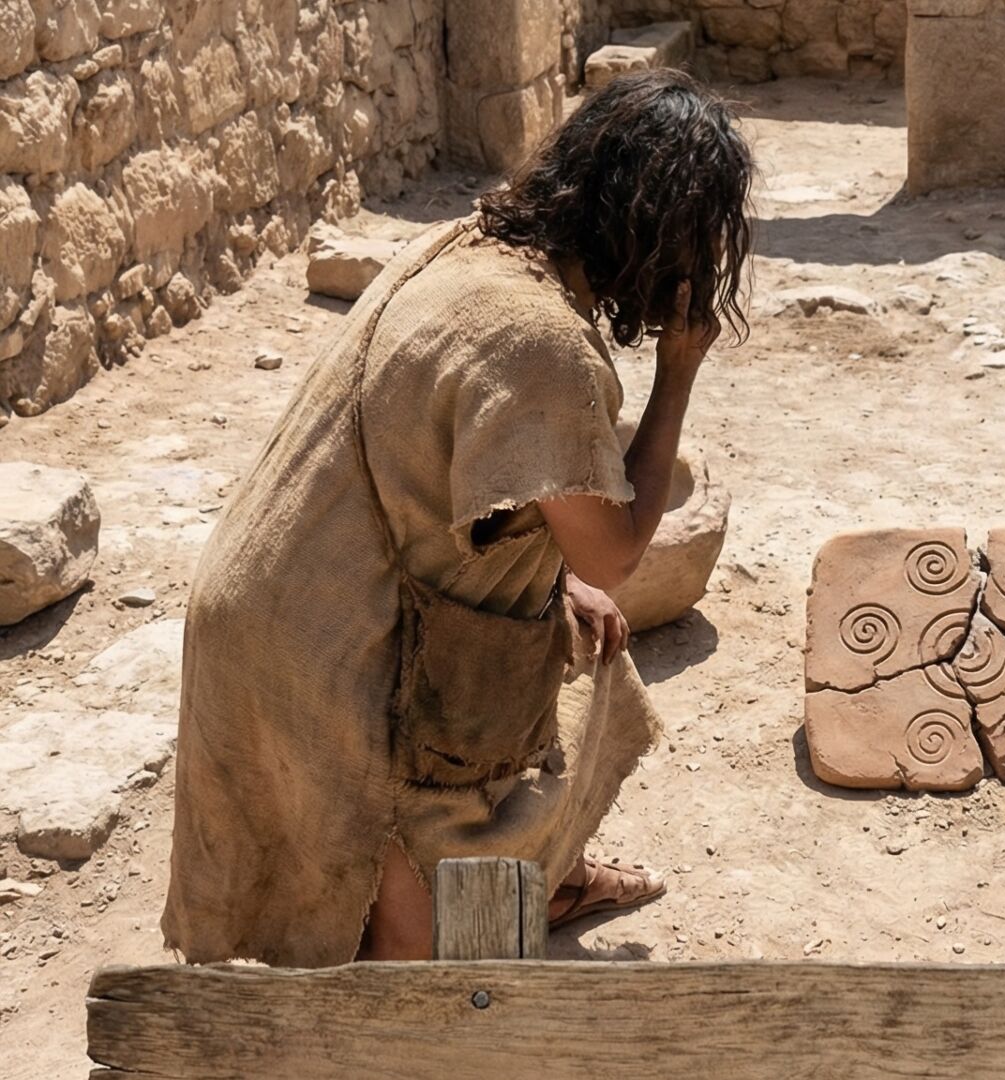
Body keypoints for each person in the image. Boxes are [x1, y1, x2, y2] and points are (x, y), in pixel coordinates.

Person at [161, 70, 754, 965]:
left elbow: (453, 478)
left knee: (562, 638)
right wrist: (681, 369)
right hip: (337, 647)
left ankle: (550, 877)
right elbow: (620, 552)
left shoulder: (466, 244)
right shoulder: (542, 346)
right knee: (427, 992)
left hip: (264, 593)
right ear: (660, 239)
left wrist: (555, 585)